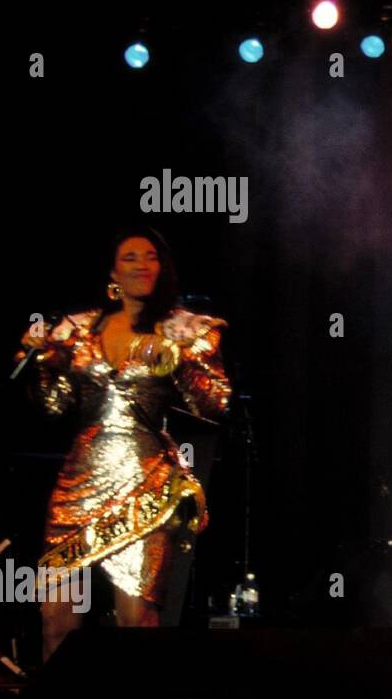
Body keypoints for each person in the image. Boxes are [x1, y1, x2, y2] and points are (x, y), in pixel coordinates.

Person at [15, 226, 231, 661]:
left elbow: (216, 403)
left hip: (144, 482)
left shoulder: (184, 327)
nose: (141, 265)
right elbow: (55, 407)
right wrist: (42, 363)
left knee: (135, 620)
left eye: (151, 256)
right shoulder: (78, 329)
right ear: (113, 271)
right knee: (58, 619)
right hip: (78, 484)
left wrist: (180, 356)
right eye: (130, 257)